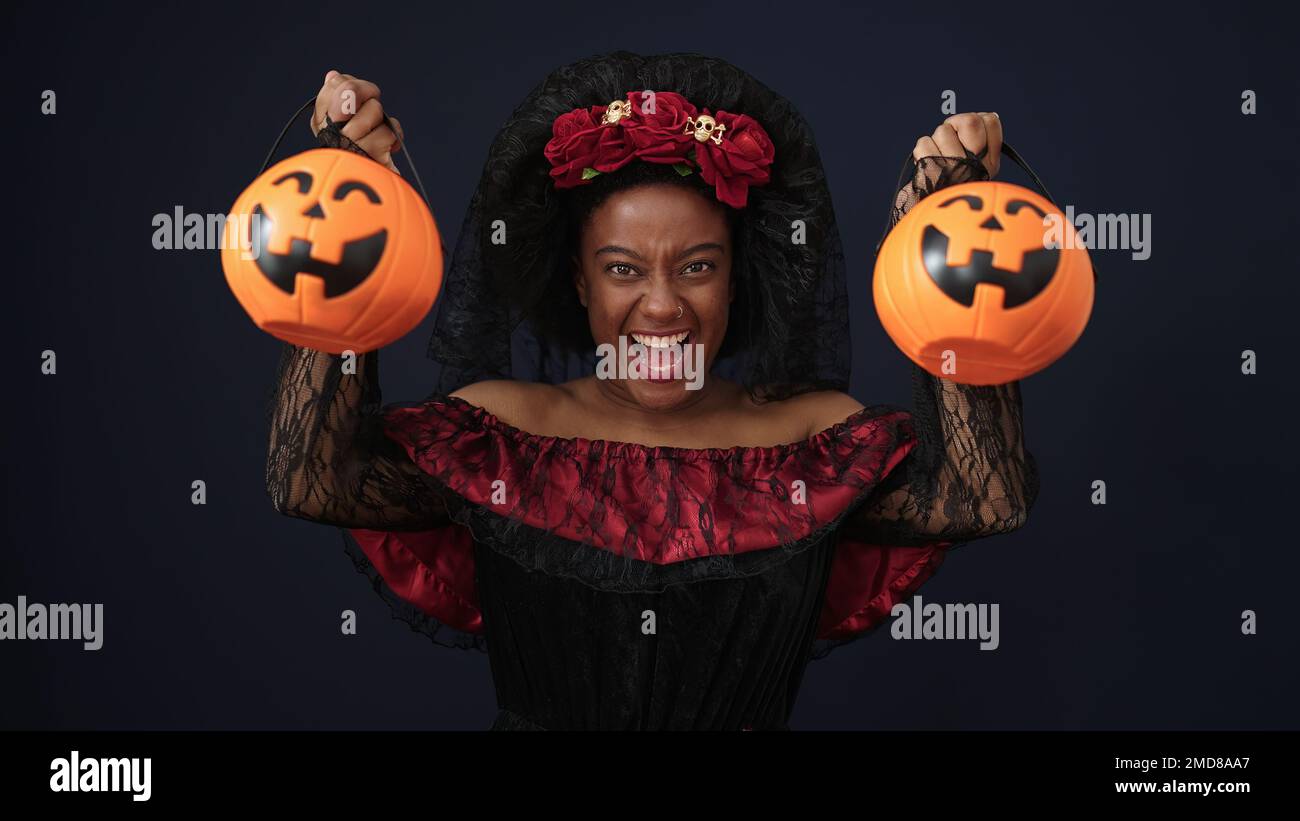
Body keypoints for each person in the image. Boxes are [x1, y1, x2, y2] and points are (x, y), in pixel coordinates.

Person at [264, 52, 1038, 730]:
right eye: (624, 268)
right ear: (580, 280)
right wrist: (343, 210)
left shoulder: (813, 440)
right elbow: (311, 478)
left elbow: (986, 496)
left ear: (737, 282)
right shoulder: (499, 429)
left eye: (698, 266)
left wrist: (951, 243)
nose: (663, 305)